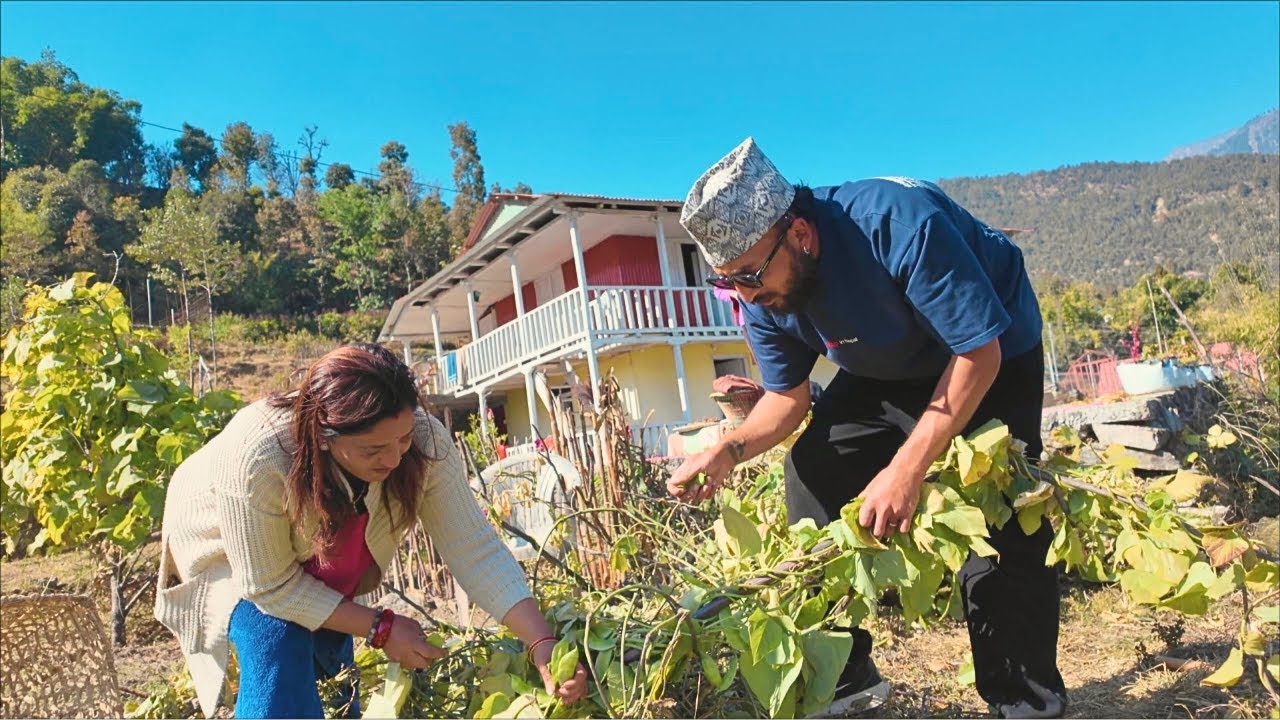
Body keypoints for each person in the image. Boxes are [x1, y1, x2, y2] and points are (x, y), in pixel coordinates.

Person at [666, 138, 1066, 719]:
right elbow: (786, 397)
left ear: (800, 235)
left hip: (990, 350)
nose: (747, 296)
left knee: (1001, 522)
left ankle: (1025, 704)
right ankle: (846, 676)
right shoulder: (761, 293)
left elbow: (978, 354)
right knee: (813, 473)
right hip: (886, 366)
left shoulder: (896, 223)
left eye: (750, 275)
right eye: (729, 282)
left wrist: (907, 468)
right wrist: (730, 448)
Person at [154, 343, 587, 718]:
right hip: (225, 549)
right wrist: (380, 628)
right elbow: (270, 587)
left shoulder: (422, 440)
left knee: (332, 665)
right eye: (373, 449)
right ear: (325, 435)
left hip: (317, 550)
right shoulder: (258, 458)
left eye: (400, 441)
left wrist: (540, 642)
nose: (395, 458)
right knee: (278, 641)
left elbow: (476, 548)